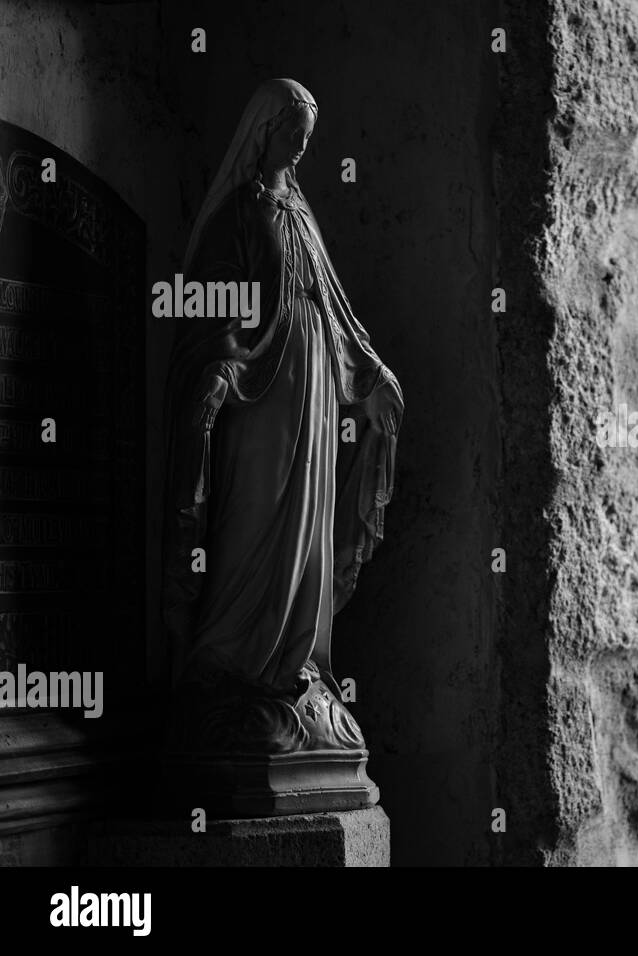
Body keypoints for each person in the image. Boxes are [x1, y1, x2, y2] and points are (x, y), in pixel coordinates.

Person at [161, 79, 402, 754]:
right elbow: (211, 309)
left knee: (307, 531)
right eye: (293, 131)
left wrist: (371, 373)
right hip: (258, 396)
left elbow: (334, 306)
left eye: (307, 135)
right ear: (264, 133)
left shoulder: (299, 213)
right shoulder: (237, 214)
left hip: (315, 394)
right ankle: (231, 664)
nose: (301, 146)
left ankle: (296, 668)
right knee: (252, 519)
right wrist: (221, 367)